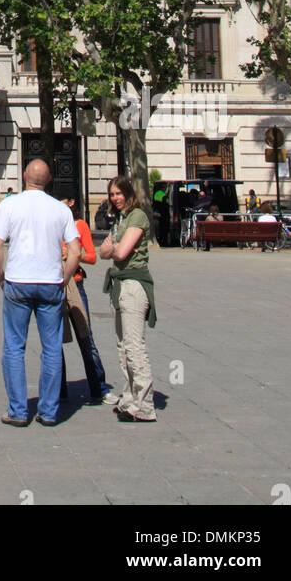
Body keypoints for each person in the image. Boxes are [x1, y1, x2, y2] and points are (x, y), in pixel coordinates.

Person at [0, 159, 80, 427]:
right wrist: (64, 278)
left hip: (18, 281)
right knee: (51, 348)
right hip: (50, 283)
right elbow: (74, 250)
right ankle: (49, 412)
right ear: (49, 179)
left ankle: (18, 410)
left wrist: (0, 277)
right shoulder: (60, 209)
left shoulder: (9, 204)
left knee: (14, 346)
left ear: (24, 175)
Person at [99, 176, 157, 422]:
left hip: (134, 285)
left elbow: (119, 251)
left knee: (134, 347)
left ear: (128, 193)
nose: (115, 198)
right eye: (112, 195)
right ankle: (130, 397)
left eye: (118, 194)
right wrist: (113, 248)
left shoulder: (137, 216)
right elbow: (103, 251)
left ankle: (145, 406)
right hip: (120, 285)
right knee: (123, 347)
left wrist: (115, 248)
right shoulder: (120, 219)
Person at [59, 195, 112, 404]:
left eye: (62, 202)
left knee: (85, 335)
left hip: (76, 283)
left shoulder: (80, 225)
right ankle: (59, 390)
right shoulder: (52, 225)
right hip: (55, 284)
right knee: (55, 342)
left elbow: (92, 256)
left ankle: (98, 387)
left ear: (71, 203)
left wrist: (74, 254)